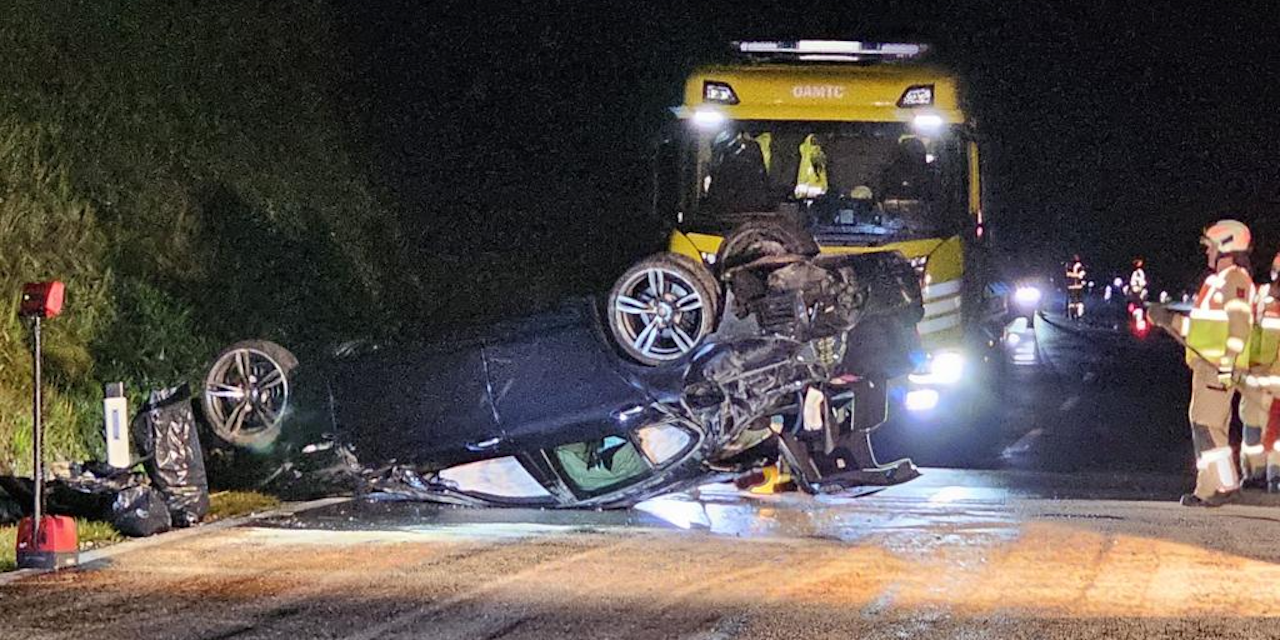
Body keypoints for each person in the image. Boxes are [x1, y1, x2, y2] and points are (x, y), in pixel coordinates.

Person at [1150, 219, 1255, 507]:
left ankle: (1221, 485)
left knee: (1207, 425)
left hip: (1217, 367)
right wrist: (1168, 320)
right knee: (1204, 425)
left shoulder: (1235, 280)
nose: (1207, 252)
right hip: (1206, 365)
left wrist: (1228, 363)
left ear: (1225, 247)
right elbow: (1201, 330)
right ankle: (1208, 489)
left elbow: (1239, 327)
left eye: (1210, 246)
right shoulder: (1216, 282)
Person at [1241, 252, 1280, 490]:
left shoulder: (1263, 296)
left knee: (1272, 429)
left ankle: (1272, 474)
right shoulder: (1263, 296)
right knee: (1254, 425)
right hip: (1257, 376)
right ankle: (1258, 473)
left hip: (1269, 379)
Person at [1065, 255, 1086, 319]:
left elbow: (1083, 274)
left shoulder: (1081, 265)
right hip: (1071, 286)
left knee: (1079, 301)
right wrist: (1077, 275)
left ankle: (1079, 314)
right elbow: (1067, 274)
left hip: (1079, 286)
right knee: (1071, 301)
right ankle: (1071, 313)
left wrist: (1081, 276)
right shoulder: (1069, 264)